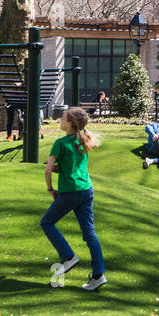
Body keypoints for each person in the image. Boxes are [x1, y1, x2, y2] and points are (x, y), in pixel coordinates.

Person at [40, 107, 107, 291]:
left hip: (69, 192)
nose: (60, 120)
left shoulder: (60, 143)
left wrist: (50, 189)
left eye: (62, 118)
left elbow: (47, 169)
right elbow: (72, 165)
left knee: (47, 222)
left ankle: (68, 257)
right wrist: (59, 169)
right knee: (89, 233)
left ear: (69, 124)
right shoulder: (82, 140)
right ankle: (98, 275)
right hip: (86, 190)